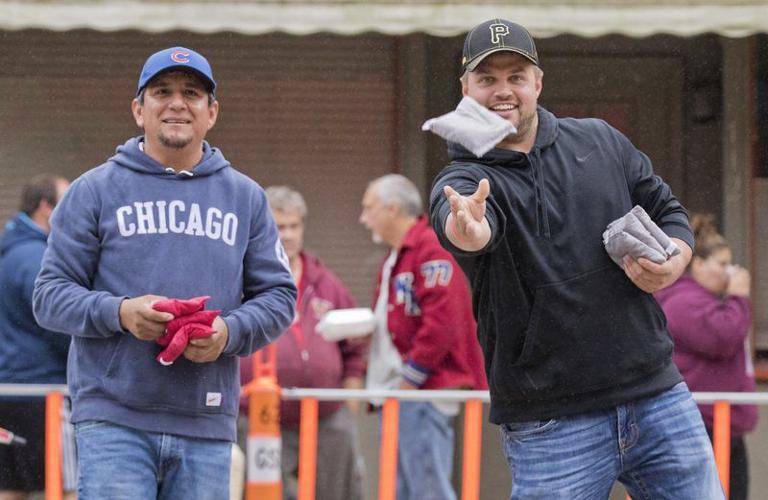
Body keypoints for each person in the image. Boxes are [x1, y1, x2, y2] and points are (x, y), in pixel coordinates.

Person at [428, 18, 723, 498]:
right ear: (466, 90)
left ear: (538, 83)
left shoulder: (601, 141)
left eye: (516, 77)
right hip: (549, 422)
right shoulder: (464, 177)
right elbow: (464, 225)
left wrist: (675, 261)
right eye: (487, 79)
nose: (504, 91)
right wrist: (468, 227)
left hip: (657, 396)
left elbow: (667, 210)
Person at [32, 46, 296, 499]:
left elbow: (279, 296)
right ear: (139, 109)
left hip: (206, 423)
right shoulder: (93, 191)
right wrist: (120, 312)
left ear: (211, 113)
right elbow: (49, 296)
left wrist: (227, 333)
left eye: (192, 93)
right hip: (113, 421)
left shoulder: (246, 199)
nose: (177, 103)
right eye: (162, 92)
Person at [359, 173, 486, 500]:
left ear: (392, 208)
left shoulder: (429, 249)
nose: (363, 218)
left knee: (426, 490)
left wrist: (409, 379)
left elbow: (443, 321)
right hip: (405, 393)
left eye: (368, 208)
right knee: (405, 491)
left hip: (421, 392)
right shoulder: (401, 254)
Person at [239, 186, 366, 500]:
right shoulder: (242, 275)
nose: (289, 235)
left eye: (295, 226)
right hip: (257, 414)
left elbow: (354, 339)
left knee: (336, 491)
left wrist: (352, 383)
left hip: (324, 414)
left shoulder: (325, 281)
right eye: (280, 227)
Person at [655, 213, 758, 500]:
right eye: (722, 264)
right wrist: (738, 297)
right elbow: (723, 338)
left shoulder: (704, 300)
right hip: (705, 423)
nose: (730, 271)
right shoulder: (682, 301)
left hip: (721, 422)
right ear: (698, 264)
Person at [0, 174, 76, 500]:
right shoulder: (36, 260)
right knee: (67, 486)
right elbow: (57, 321)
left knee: (12, 486)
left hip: (12, 391)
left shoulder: (10, 251)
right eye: (67, 204)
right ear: (46, 208)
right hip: (45, 394)